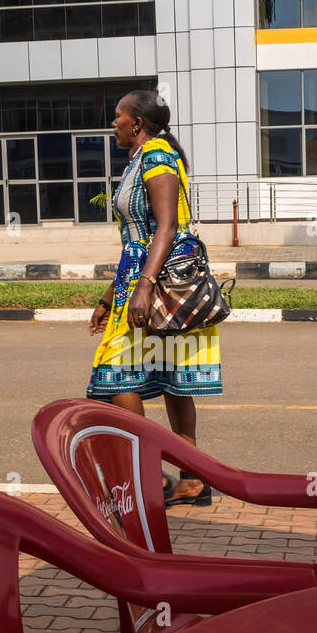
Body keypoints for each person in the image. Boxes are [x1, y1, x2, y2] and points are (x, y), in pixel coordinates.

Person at [87, 90, 221, 506]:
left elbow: (165, 227)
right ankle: (191, 478)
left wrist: (143, 285)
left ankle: (154, 477)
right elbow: (134, 239)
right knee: (173, 381)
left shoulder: (158, 158)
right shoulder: (143, 158)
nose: (114, 124)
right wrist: (111, 295)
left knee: (115, 377)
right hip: (144, 280)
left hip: (161, 286)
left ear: (137, 124)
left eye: (117, 118)